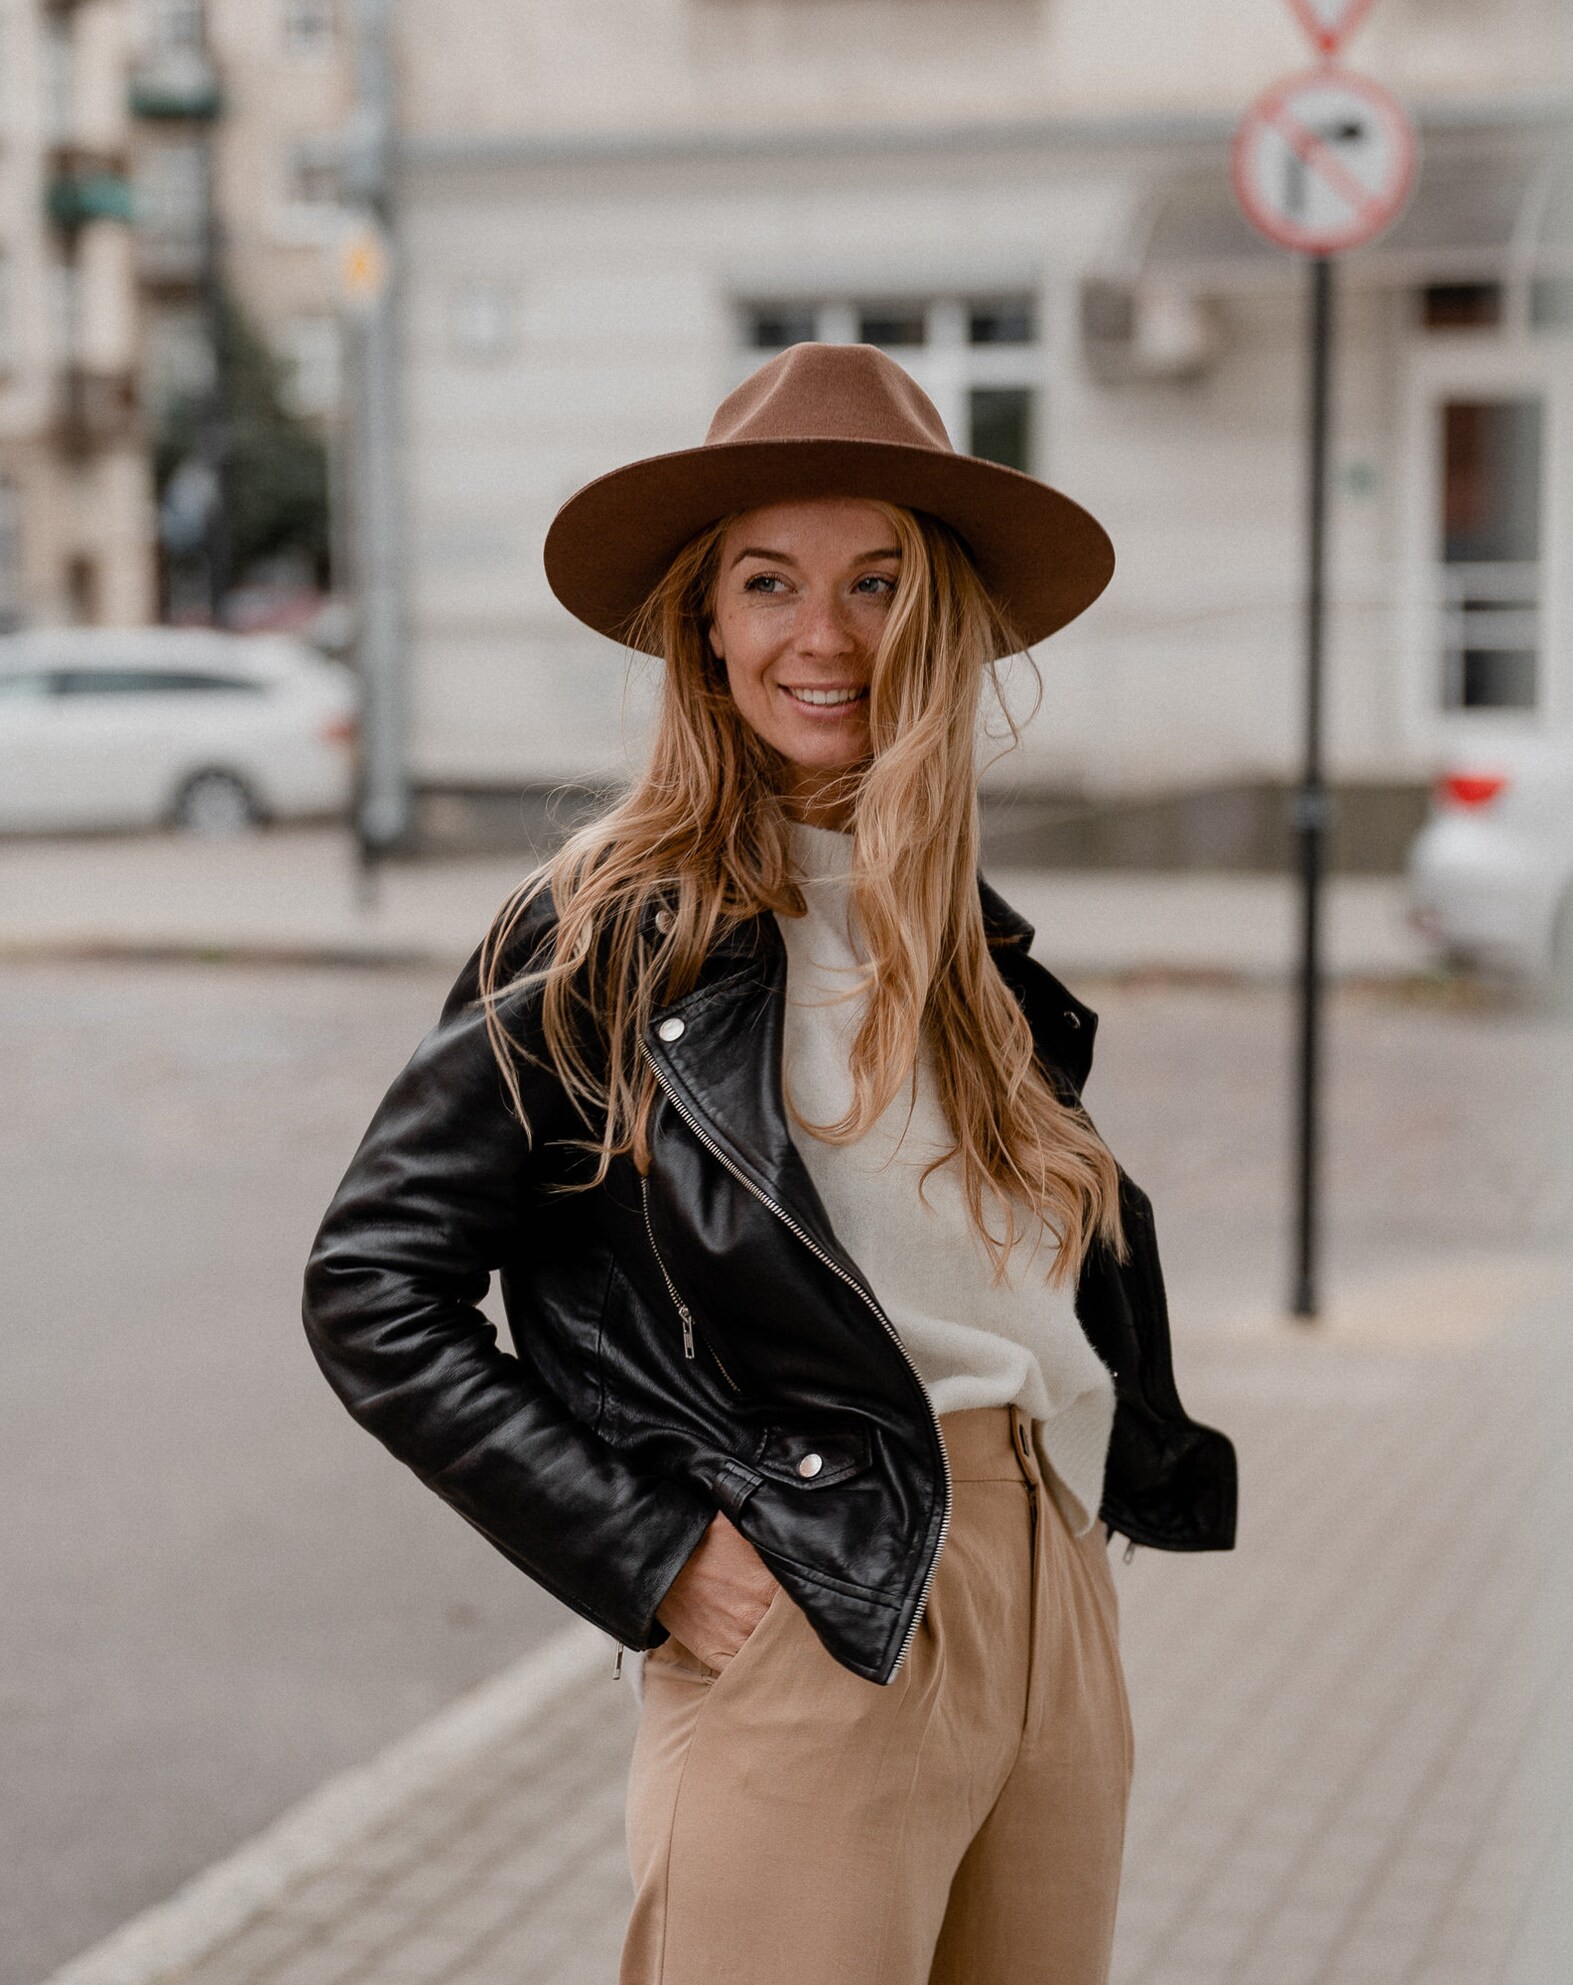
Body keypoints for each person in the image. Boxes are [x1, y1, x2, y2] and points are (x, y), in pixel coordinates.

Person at [303, 341, 1237, 1985]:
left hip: (1051, 1616)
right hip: (811, 1614)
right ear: (706, 624)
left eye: (880, 582)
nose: (826, 636)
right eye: (770, 582)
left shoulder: (973, 948)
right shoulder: (606, 933)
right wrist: (654, 1554)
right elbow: (373, 1285)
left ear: (942, 615)